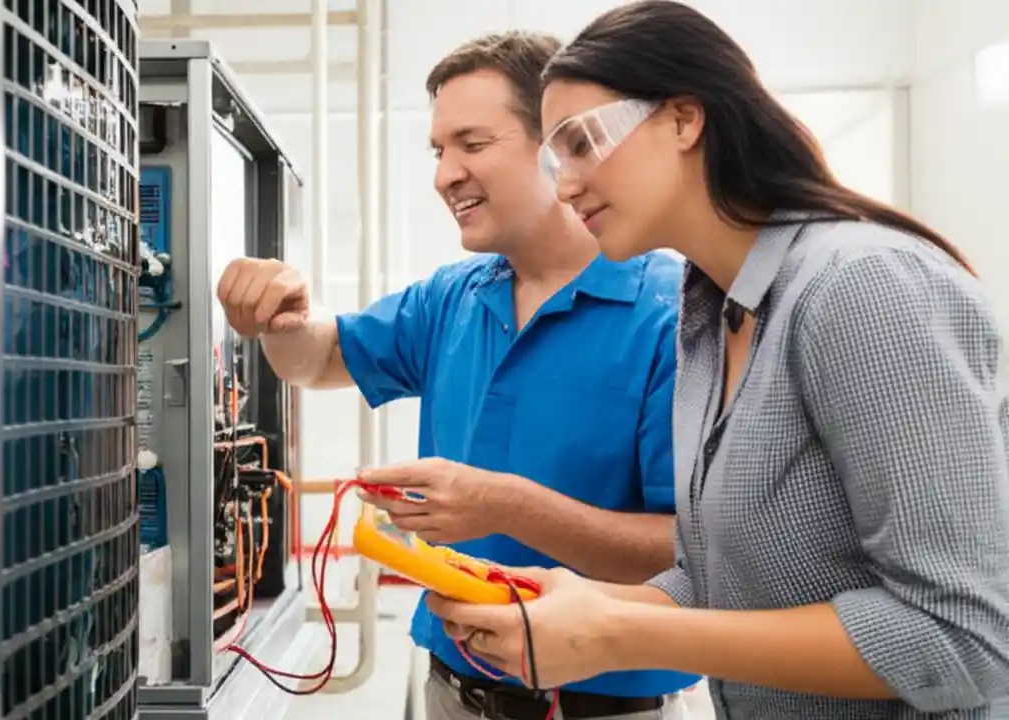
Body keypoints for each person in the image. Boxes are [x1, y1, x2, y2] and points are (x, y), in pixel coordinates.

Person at [427, 3, 1009, 719]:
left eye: (584, 142)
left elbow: (967, 635)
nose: (567, 183)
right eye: (555, 159)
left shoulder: (861, 285)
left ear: (683, 118)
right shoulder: (708, 314)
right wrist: (575, 603)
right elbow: (720, 582)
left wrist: (622, 632)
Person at [217, 30, 699, 720]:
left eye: (472, 145)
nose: (445, 174)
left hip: (605, 704)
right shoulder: (454, 296)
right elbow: (319, 359)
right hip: (451, 685)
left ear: (558, 143)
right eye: (439, 151)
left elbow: (690, 551)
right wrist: (284, 318)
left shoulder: (669, 313)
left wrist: (506, 507)